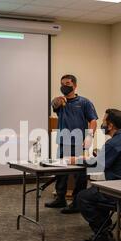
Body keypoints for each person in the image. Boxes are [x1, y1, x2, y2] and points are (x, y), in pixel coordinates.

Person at [74, 109, 121, 241]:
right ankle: (105, 227)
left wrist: (76, 160)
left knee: (83, 197)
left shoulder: (113, 143)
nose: (102, 124)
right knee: (95, 191)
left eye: (104, 121)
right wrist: (100, 155)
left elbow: (97, 166)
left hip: (119, 192)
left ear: (110, 125)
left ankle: (102, 232)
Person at [45, 74, 98, 214]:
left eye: (67, 83)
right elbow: (54, 105)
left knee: (79, 175)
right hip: (63, 142)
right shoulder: (60, 102)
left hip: (78, 143)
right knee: (60, 172)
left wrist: (90, 135)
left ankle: (77, 202)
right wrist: (57, 101)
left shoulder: (85, 102)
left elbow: (93, 120)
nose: (64, 86)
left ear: (74, 85)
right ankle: (60, 198)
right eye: (62, 83)